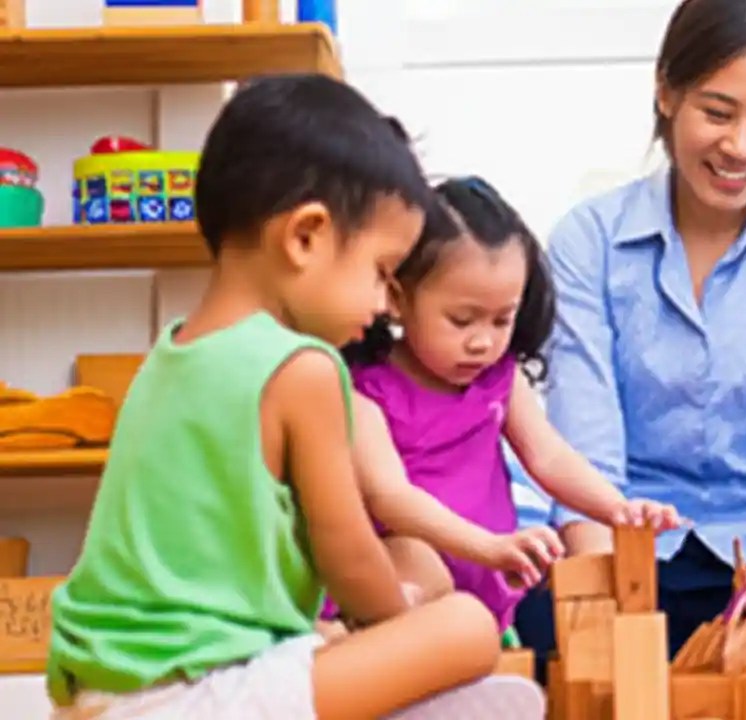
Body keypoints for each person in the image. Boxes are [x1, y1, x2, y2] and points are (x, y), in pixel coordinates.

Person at [44, 75, 541, 719]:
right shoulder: (302, 369)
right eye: (381, 273)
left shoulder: (168, 357)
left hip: (98, 688)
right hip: (195, 695)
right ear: (305, 236)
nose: (381, 305)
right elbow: (349, 554)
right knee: (468, 625)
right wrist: (398, 621)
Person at [513, 0, 746, 674]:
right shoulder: (588, 241)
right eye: (717, 113)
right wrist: (607, 608)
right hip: (623, 553)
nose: (741, 147)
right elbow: (584, 456)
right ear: (666, 92)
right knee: (531, 634)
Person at [333, 174, 682, 635]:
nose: (482, 342)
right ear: (397, 299)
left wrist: (617, 510)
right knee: (413, 562)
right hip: (411, 579)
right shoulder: (367, 390)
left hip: (491, 579)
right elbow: (391, 498)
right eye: (461, 320)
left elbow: (548, 456)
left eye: (502, 319)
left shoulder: (500, 376)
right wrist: (488, 546)